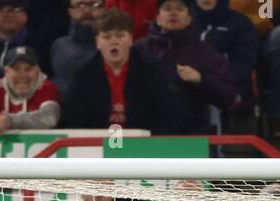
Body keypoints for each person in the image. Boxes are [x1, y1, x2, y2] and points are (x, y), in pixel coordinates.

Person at [135, 0, 234, 135]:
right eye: (167, 9)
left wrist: (201, 79)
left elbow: (228, 96)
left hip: (191, 134)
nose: (173, 13)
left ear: (189, 19)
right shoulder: (140, 49)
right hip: (147, 134)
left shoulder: (204, 51)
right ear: (157, 18)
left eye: (180, 9)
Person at [60, 8, 167, 131]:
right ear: (97, 42)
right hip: (96, 146)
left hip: (143, 145)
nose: (114, 42)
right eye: (106, 37)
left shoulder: (152, 73)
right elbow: (73, 122)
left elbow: (165, 118)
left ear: (131, 39)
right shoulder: (82, 77)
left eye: (120, 36)